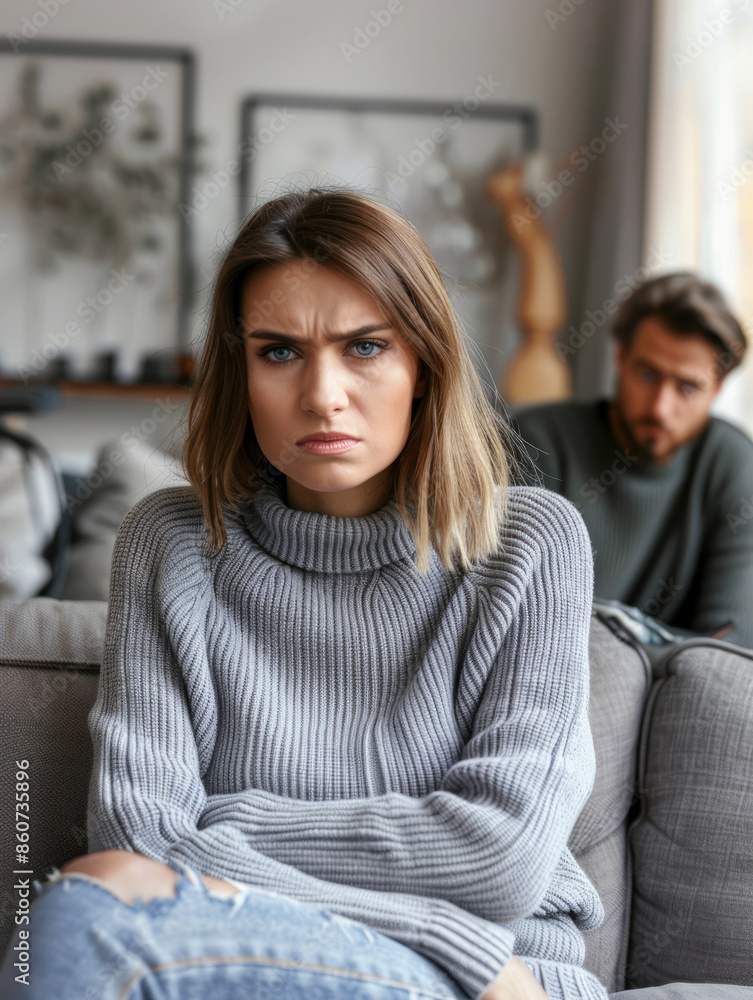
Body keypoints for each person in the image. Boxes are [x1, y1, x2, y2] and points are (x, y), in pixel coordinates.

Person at [0, 188, 609, 1000]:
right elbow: (140, 838)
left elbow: (499, 856)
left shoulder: (530, 544)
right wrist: (449, 933)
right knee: (92, 903)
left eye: (364, 348)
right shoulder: (171, 543)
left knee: (85, 917)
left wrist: (228, 826)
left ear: (422, 363)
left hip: (502, 987)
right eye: (279, 352)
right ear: (241, 369)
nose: (322, 394)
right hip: (445, 959)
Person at [512, 271, 753, 649]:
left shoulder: (733, 463)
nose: (660, 407)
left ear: (718, 388)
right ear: (620, 358)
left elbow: (729, 645)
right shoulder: (537, 440)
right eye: (647, 374)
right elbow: (523, 620)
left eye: (687, 387)